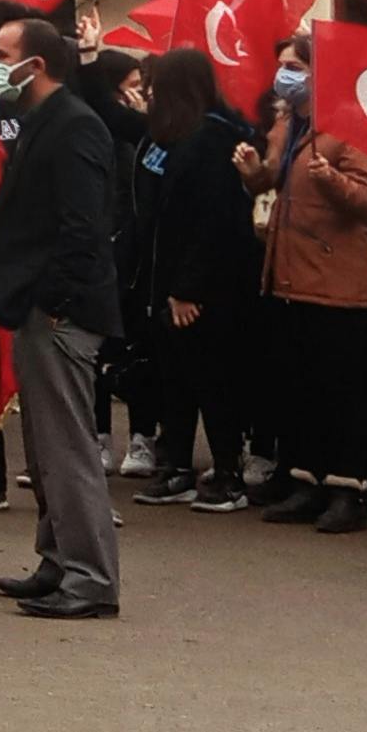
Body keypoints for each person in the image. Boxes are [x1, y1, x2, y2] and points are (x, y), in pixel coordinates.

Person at [0, 16, 125, 617]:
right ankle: (57, 559)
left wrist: (56, 301)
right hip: (38, 306)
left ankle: (90, 580)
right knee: (42, 448)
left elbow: (82, 227)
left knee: (67, 450)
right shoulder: (48, 122)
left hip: (60, 313)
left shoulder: (74, 127)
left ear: (33, 65)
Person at [237, 37, 367, 532]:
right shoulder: (290, 126)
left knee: (341, 391)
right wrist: (253, 175)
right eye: (281, 64)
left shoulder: (348, 128)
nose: (283, 72)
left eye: (295, 65)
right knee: (301, 388)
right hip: (291, 277)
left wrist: (331, 178)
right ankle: (307, 482)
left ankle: (348, 491)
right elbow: (277, 184)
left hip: (336, 280)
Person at [134, 49, 264, 511]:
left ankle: (228, 472)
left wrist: (187, 290)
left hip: (206, 290)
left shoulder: (210, 140)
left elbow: (211, 222)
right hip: (168, 282)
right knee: (177, 382)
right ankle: (177, 467)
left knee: (214, 381)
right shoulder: (172, 138)